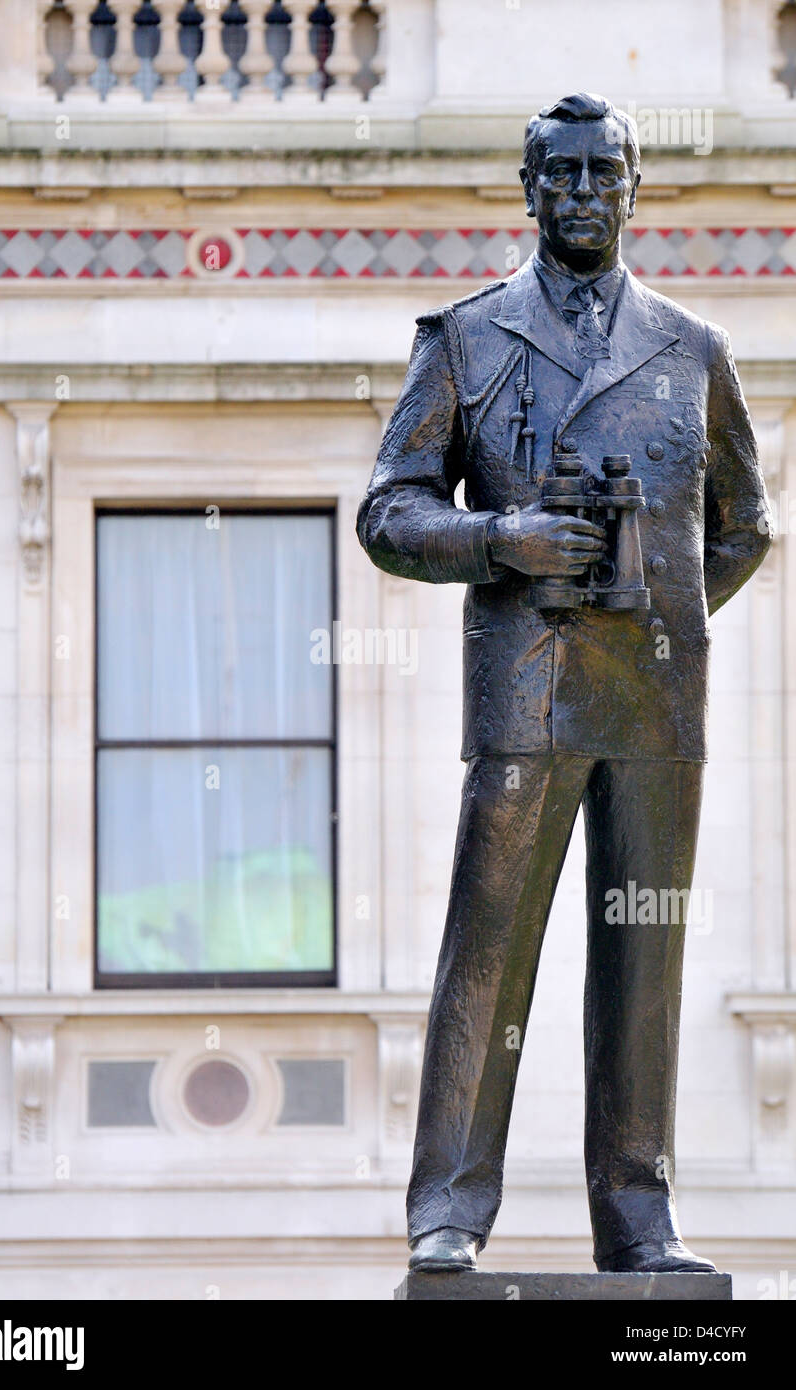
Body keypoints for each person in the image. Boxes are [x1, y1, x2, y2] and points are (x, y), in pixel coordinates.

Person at [356, 93, 772, 1274]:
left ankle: (639, 1217)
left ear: (635, 188)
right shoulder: (469, 337)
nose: (584, 193)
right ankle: (446, 1207)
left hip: (651, 699)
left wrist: (664, 615)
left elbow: (744, 525)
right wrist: (505, 540)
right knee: (486, 949)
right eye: (563, 175)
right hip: (525, 694)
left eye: (605, 173)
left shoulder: (692, 349)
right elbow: (387, 510)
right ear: (529, 190)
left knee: (643, 956)